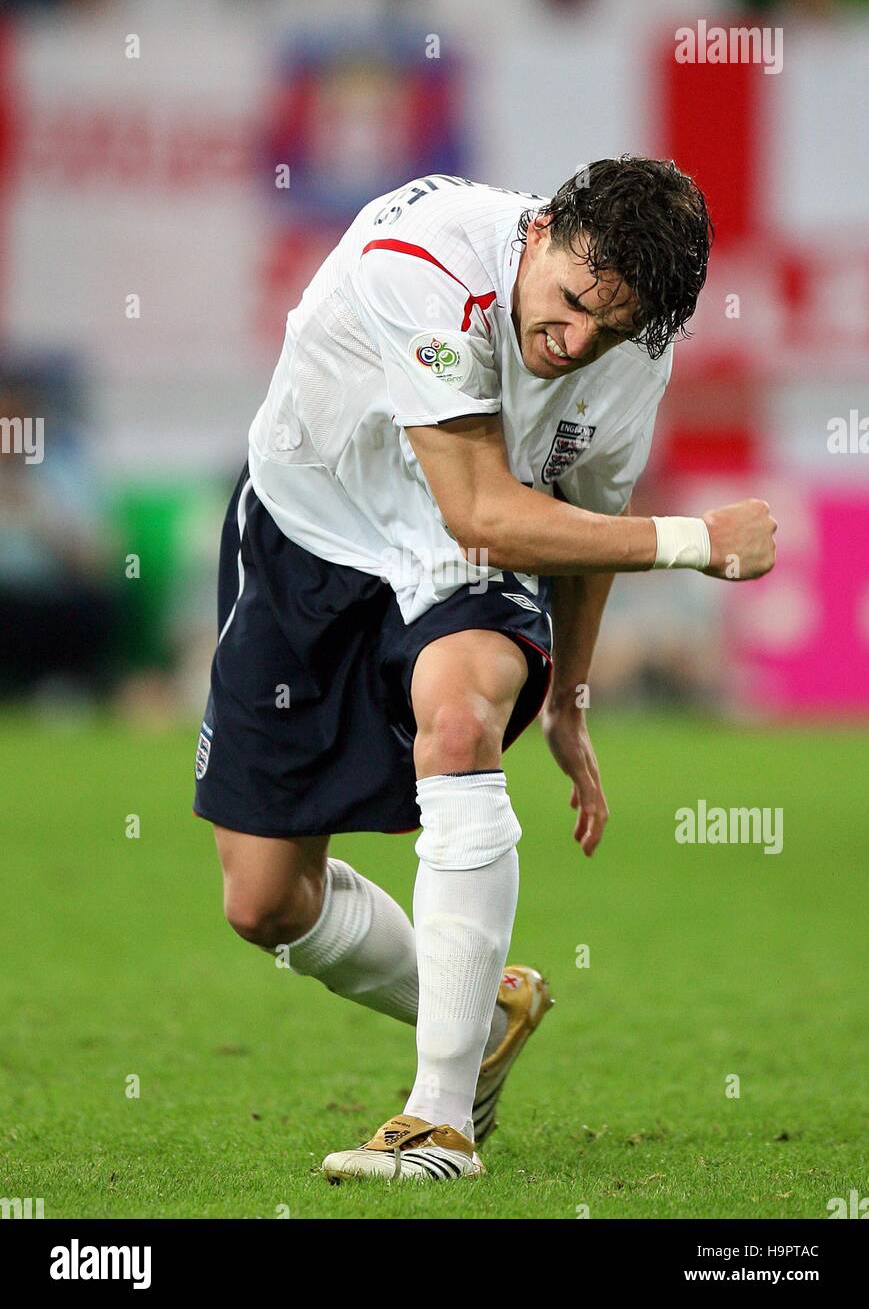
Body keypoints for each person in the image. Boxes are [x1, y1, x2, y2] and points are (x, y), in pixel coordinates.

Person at [193, 159, 777, 1182]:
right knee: (263, 904)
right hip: (312, 531)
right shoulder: (423, 262)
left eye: (612, 327)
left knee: (457, 717)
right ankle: (485, 999)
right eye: (569, 306)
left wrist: (571, 702)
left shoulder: (631, 343)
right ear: (539, 230)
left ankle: (438, 1120)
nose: (575, 344)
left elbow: (581, 519)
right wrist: (696, 540)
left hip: (465, 555)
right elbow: (481, 508)